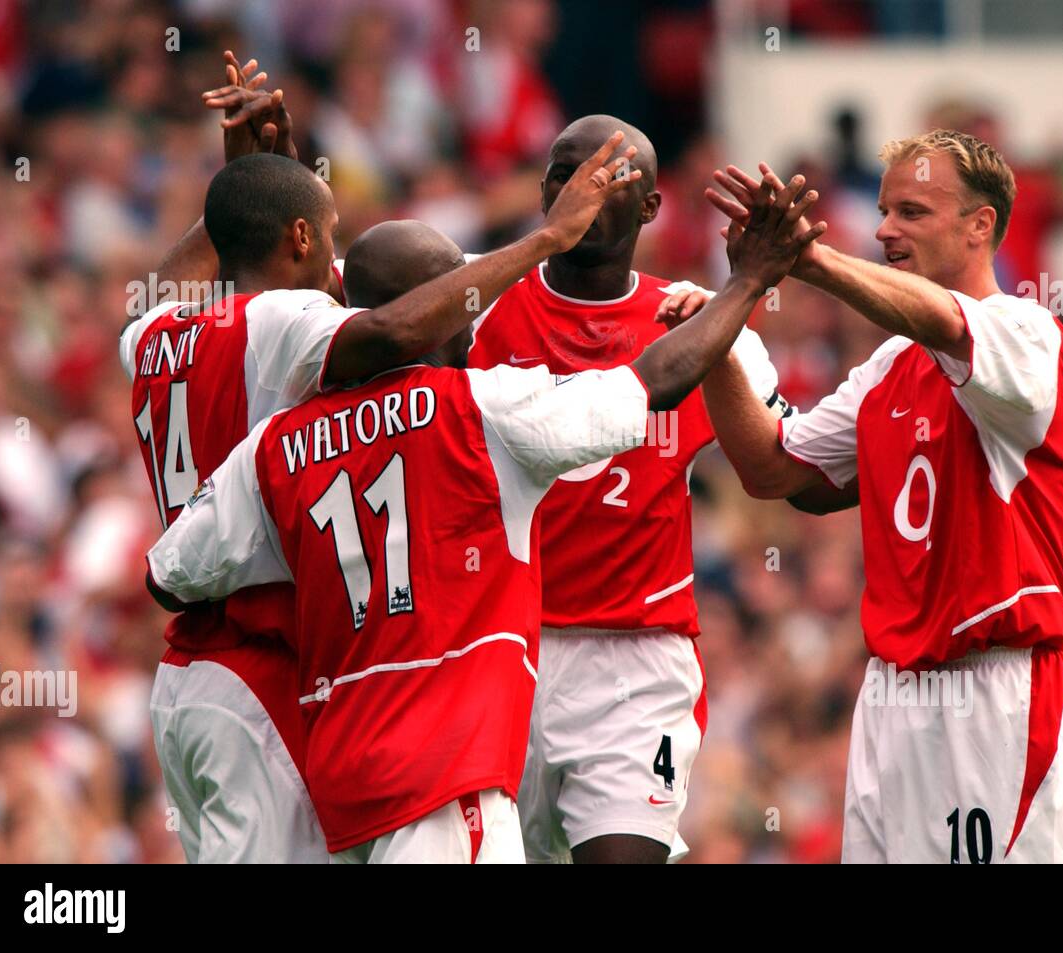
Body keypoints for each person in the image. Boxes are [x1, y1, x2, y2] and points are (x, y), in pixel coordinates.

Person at [143, 181, 826, 862]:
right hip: (447, 777)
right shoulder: (482, 410)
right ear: (436, 315)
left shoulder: (272, 447)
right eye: (461, 302)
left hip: (341, 779)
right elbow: (652, 380)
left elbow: (169, 576)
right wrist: (749, 282)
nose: (476, 322)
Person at [124, 53, 643, 862]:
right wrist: (546, 239)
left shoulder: (153, 334)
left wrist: (257, 176)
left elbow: (192, 271)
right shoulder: (284, 322)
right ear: (301, 239)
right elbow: (397, 326)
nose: (336, 264)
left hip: (187, 680)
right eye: (327, 237)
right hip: (261, 669)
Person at [693, 129, 1063, 862]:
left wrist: (808, 260)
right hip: (891, 696)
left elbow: (943, 319)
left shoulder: (1030, 333)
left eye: (912, 211)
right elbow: (774, 471)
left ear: (982, 225)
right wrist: (719, 325)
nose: (883, 229)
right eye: (882, 210)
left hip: (997, 689)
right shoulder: (889, 366)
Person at [466, 114, 791, 863]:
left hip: (634, 666)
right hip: (495, 647)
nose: (579, 186)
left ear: (649, 207)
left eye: (608, 175)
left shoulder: (707, 325)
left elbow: (781, 466)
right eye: (562, 172)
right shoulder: (476, 299)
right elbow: (344, 307)